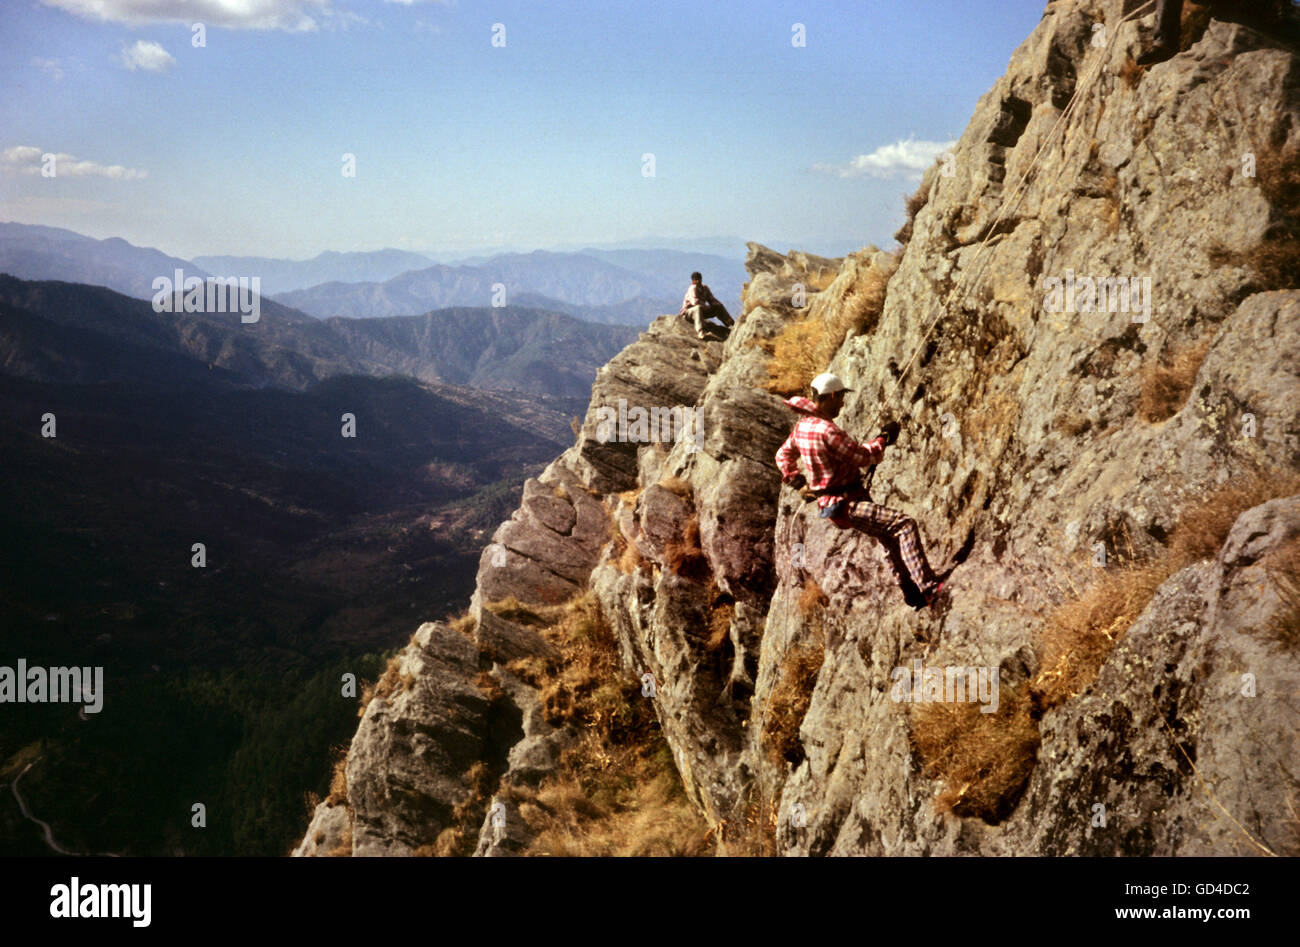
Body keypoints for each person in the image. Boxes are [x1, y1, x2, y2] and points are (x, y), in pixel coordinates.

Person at [775, 372, 949, 609]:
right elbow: (862, 457)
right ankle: (928, 588)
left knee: (888, 536)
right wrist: (883, 439)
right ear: (833, 395)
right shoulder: (827, 431)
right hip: (846, 503)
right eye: (841, 398)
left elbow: (782, 455)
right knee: (904, 525)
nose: (843, 403)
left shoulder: (802, 427)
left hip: (835, 505)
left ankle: (911, 593)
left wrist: (798, 483)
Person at [680, 271, 734, 340]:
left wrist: (717, 305)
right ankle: (701, 332)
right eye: (696, 280)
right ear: (693, 281)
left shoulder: (705, 288)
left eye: (699, 279)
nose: (698, 281)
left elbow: (712, 299)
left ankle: (730, 323)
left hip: (701, 311)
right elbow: (695, 302)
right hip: (689, 313)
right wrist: (706, 307)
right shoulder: (692, 288)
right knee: (698, 308)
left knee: (718, 306)